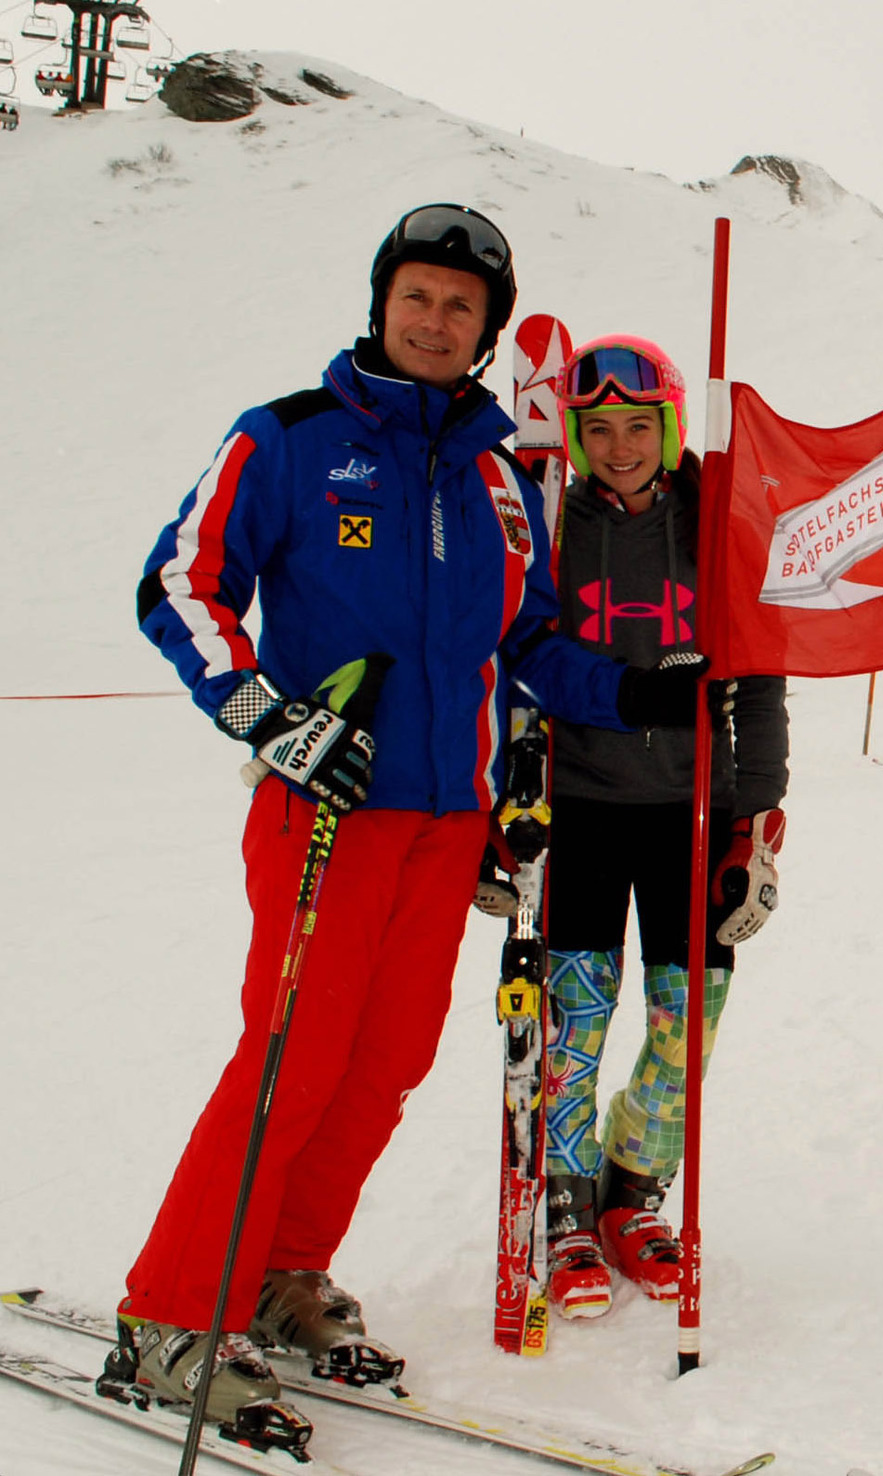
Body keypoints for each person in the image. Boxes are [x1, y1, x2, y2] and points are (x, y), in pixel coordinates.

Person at [119, 205, 708, 1430]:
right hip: (328, 812)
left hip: (449, 824)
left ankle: (281, 1269)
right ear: (382, 302)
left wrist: (632, 689)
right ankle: (173, 1311)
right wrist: (266, 715)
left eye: (462, 305)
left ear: (488, 329)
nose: (438, 321)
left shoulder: (497, 475)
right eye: (419, 296)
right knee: (290, 1057)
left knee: (382, 1066)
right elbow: (180, 582)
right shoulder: (289, 438)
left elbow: (527, 639)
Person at [533, 334, 789, 1318]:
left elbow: (759, 672)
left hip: (695, 809)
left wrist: (754, 815)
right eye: (598, 428)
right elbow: (524, 663)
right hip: (585, 805)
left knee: (688, 1024)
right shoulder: (551, 528)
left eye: (639, 426)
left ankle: (631, 1192)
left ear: (671, 427)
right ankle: (564, 1199)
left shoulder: (717, 522)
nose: (620, 445)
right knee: (577, 1021)